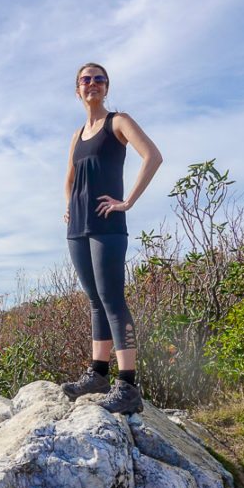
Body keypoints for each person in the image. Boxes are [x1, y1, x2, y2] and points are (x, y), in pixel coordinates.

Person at [62, 62, 163, 414]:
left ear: (106, 87)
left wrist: (127, 202)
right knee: (94, 300)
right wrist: (69, 208)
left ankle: (128, 386)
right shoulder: (77, 134)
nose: (92, 84)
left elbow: (153, 156)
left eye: (98, 79)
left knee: (112, 300)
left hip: (107, 224)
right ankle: (98, 374)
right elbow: (70, 179)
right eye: (85, 80)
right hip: (78, 227)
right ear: (77, 89)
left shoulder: (118, 122)